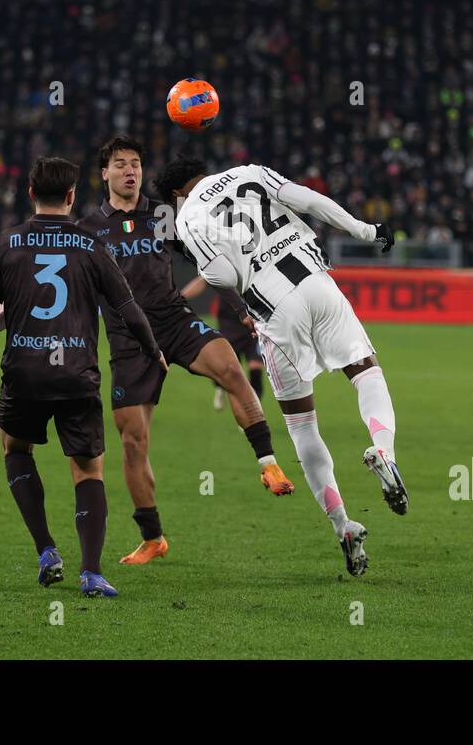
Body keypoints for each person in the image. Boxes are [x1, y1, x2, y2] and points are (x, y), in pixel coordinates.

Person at [155, 155, 402, 577]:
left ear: (177, 194)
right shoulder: (250, 173)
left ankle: (344, 525)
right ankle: (384, 451)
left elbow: (223, 274)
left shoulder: (189, 217)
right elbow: (310, 201)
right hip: (315, 279)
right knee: (365, 371)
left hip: (275, 311)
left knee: (302, 424)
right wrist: (366, 230)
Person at [77, 136, 295, 566]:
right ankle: (153, 537)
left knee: (231, 368)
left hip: (175, 320)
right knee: (134, 443)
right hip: (127, 339)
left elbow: (208, 261)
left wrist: (243, 307)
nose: (130, 171)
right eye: (120, 164)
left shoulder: (162, 216)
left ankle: (268, 463)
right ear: (104, 173)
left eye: (136, 163)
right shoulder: (90, 230)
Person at [0, 157, 164, 598]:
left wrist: (5, 320)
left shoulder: (4, 244)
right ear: (73, 196)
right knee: (87, 468)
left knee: (15, 448)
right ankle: (92, 572)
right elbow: (127, 309)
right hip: (77, 373)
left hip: (24, 373)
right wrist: (153, 349)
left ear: (30, 193)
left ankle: (45, 550)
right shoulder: (93, 245)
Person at [180, 274, 266, 411]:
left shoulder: (256, 260)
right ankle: (221, 388)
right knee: (229, 370)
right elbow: (203, 280)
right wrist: (180, 298)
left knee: (255, 368)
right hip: (229, 324)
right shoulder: (223, 261)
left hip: (253, 324)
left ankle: (253, 412)